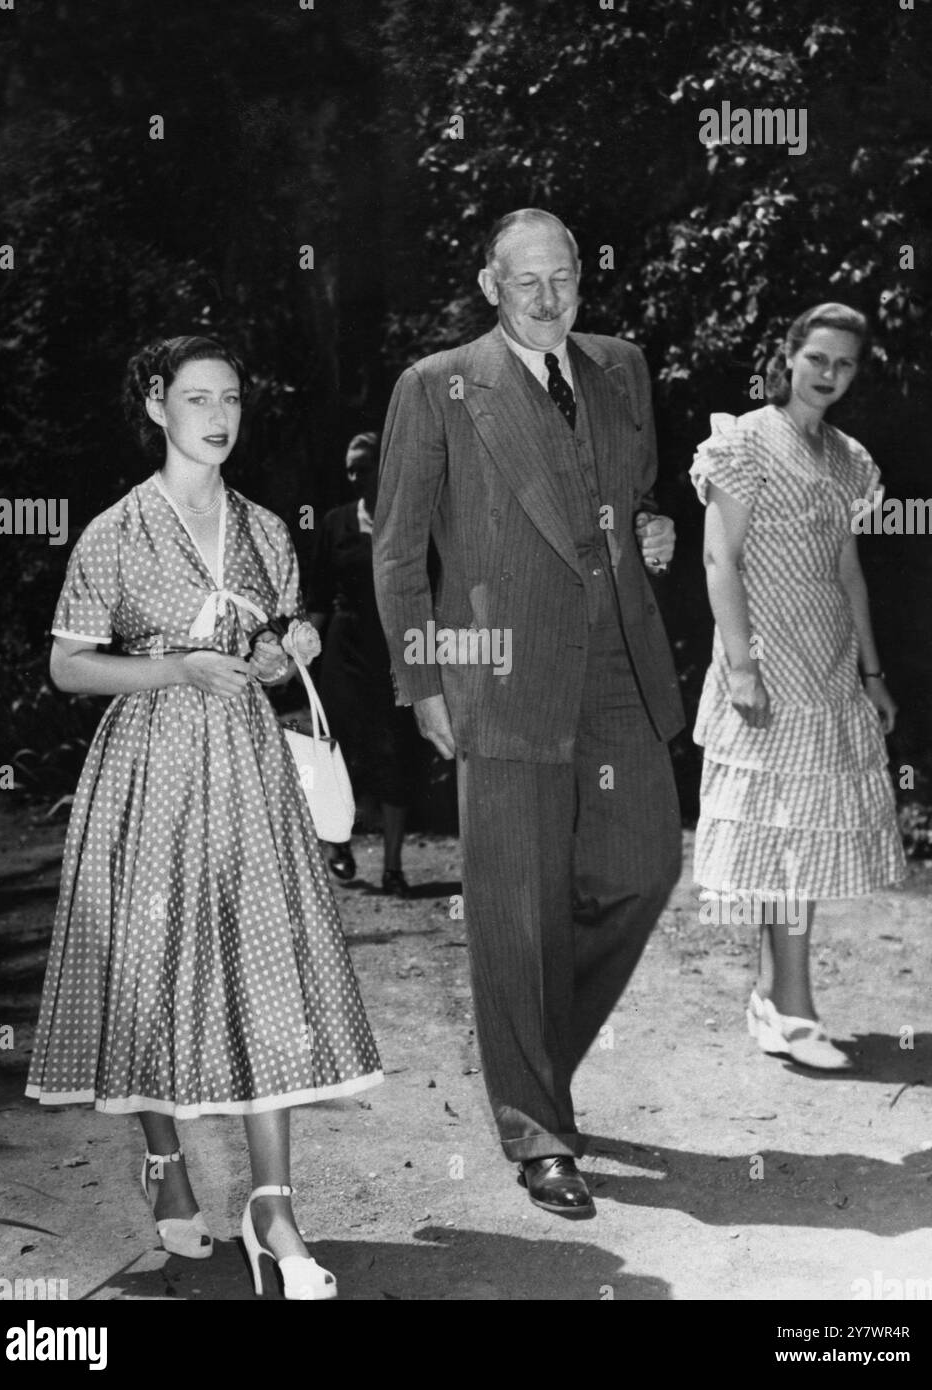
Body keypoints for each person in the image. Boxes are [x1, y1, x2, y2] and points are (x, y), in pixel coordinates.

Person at [25, 335, 382, 1300]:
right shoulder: (116, 531)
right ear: (156, 406)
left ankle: (273, 1209)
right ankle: (166, 1167)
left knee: (265, 971)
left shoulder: (267, 529)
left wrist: (287, 646)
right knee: (154, 972)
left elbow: (272, 645)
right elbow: (68, 665)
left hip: (249, 768)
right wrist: (177, 668)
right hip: (148, 767)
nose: (217, 416)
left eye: (229, 399)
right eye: (195, 399)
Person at [373, 209, 684, 1214]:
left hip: (617, 664)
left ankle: (533, 1059)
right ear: (487, 285)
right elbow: (398, 550)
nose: (548, 301)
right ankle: (538, 1130)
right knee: (515, 912)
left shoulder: (620, 367)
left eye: (563, 279)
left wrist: (653, 532)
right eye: (525, 285)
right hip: (495, 672)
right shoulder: (438, 386)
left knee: (643, 866)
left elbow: (633, 498)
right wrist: (420, 681)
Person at [690, 302, 906, 1070]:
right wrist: (741, 666)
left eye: (845, 364)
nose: (829, 375)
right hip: (765, 666)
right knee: (786, 846)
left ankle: (767, 997)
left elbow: (848, 570)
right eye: (817, 358)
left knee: (796, 839)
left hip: (828, 670)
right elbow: (721, 560)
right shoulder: (744, 441)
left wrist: (871, 673)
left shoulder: (847, 457)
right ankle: (797, 1010)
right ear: (789, 354)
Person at [306, 431, 421, 895]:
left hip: (396, 650)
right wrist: (300, 655)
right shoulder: (334, 523)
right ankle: (339, 845)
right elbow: (317, 598)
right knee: (339, 752)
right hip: (343, 649)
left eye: (364, 467)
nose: (356, 476)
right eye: (350, 468)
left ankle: (393, 866)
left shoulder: (411, 520)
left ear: (385, 467)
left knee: (397, 753)